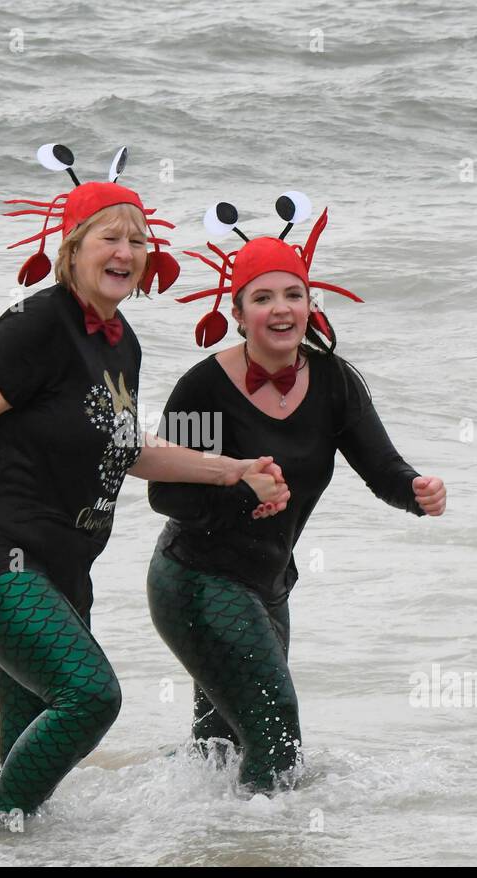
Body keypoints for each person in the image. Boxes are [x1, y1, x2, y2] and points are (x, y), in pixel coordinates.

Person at [0, 146, 290, 817]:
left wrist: (230, 471)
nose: (127, 251)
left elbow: (129, 451)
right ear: (72, 249)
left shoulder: (122, 341)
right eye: (109, 238)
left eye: (139, 240)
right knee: (91, 697)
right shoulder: (38, 323)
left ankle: (4, 842)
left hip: (62, 562)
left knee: (27, 754)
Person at [146, 194, 447, 793]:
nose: (280, 310)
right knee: (277, 730)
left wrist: (415, 490)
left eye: (293, 295)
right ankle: (274, 848)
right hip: (197, 581)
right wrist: (239, 485)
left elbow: (380, 466)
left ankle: (201, 844)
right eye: (262, 298)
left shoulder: (334, 382)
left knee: (220, 750)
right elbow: (167, 493)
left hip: (271, 587)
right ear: (237, 313)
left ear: (312, 303)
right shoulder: (205, 387)